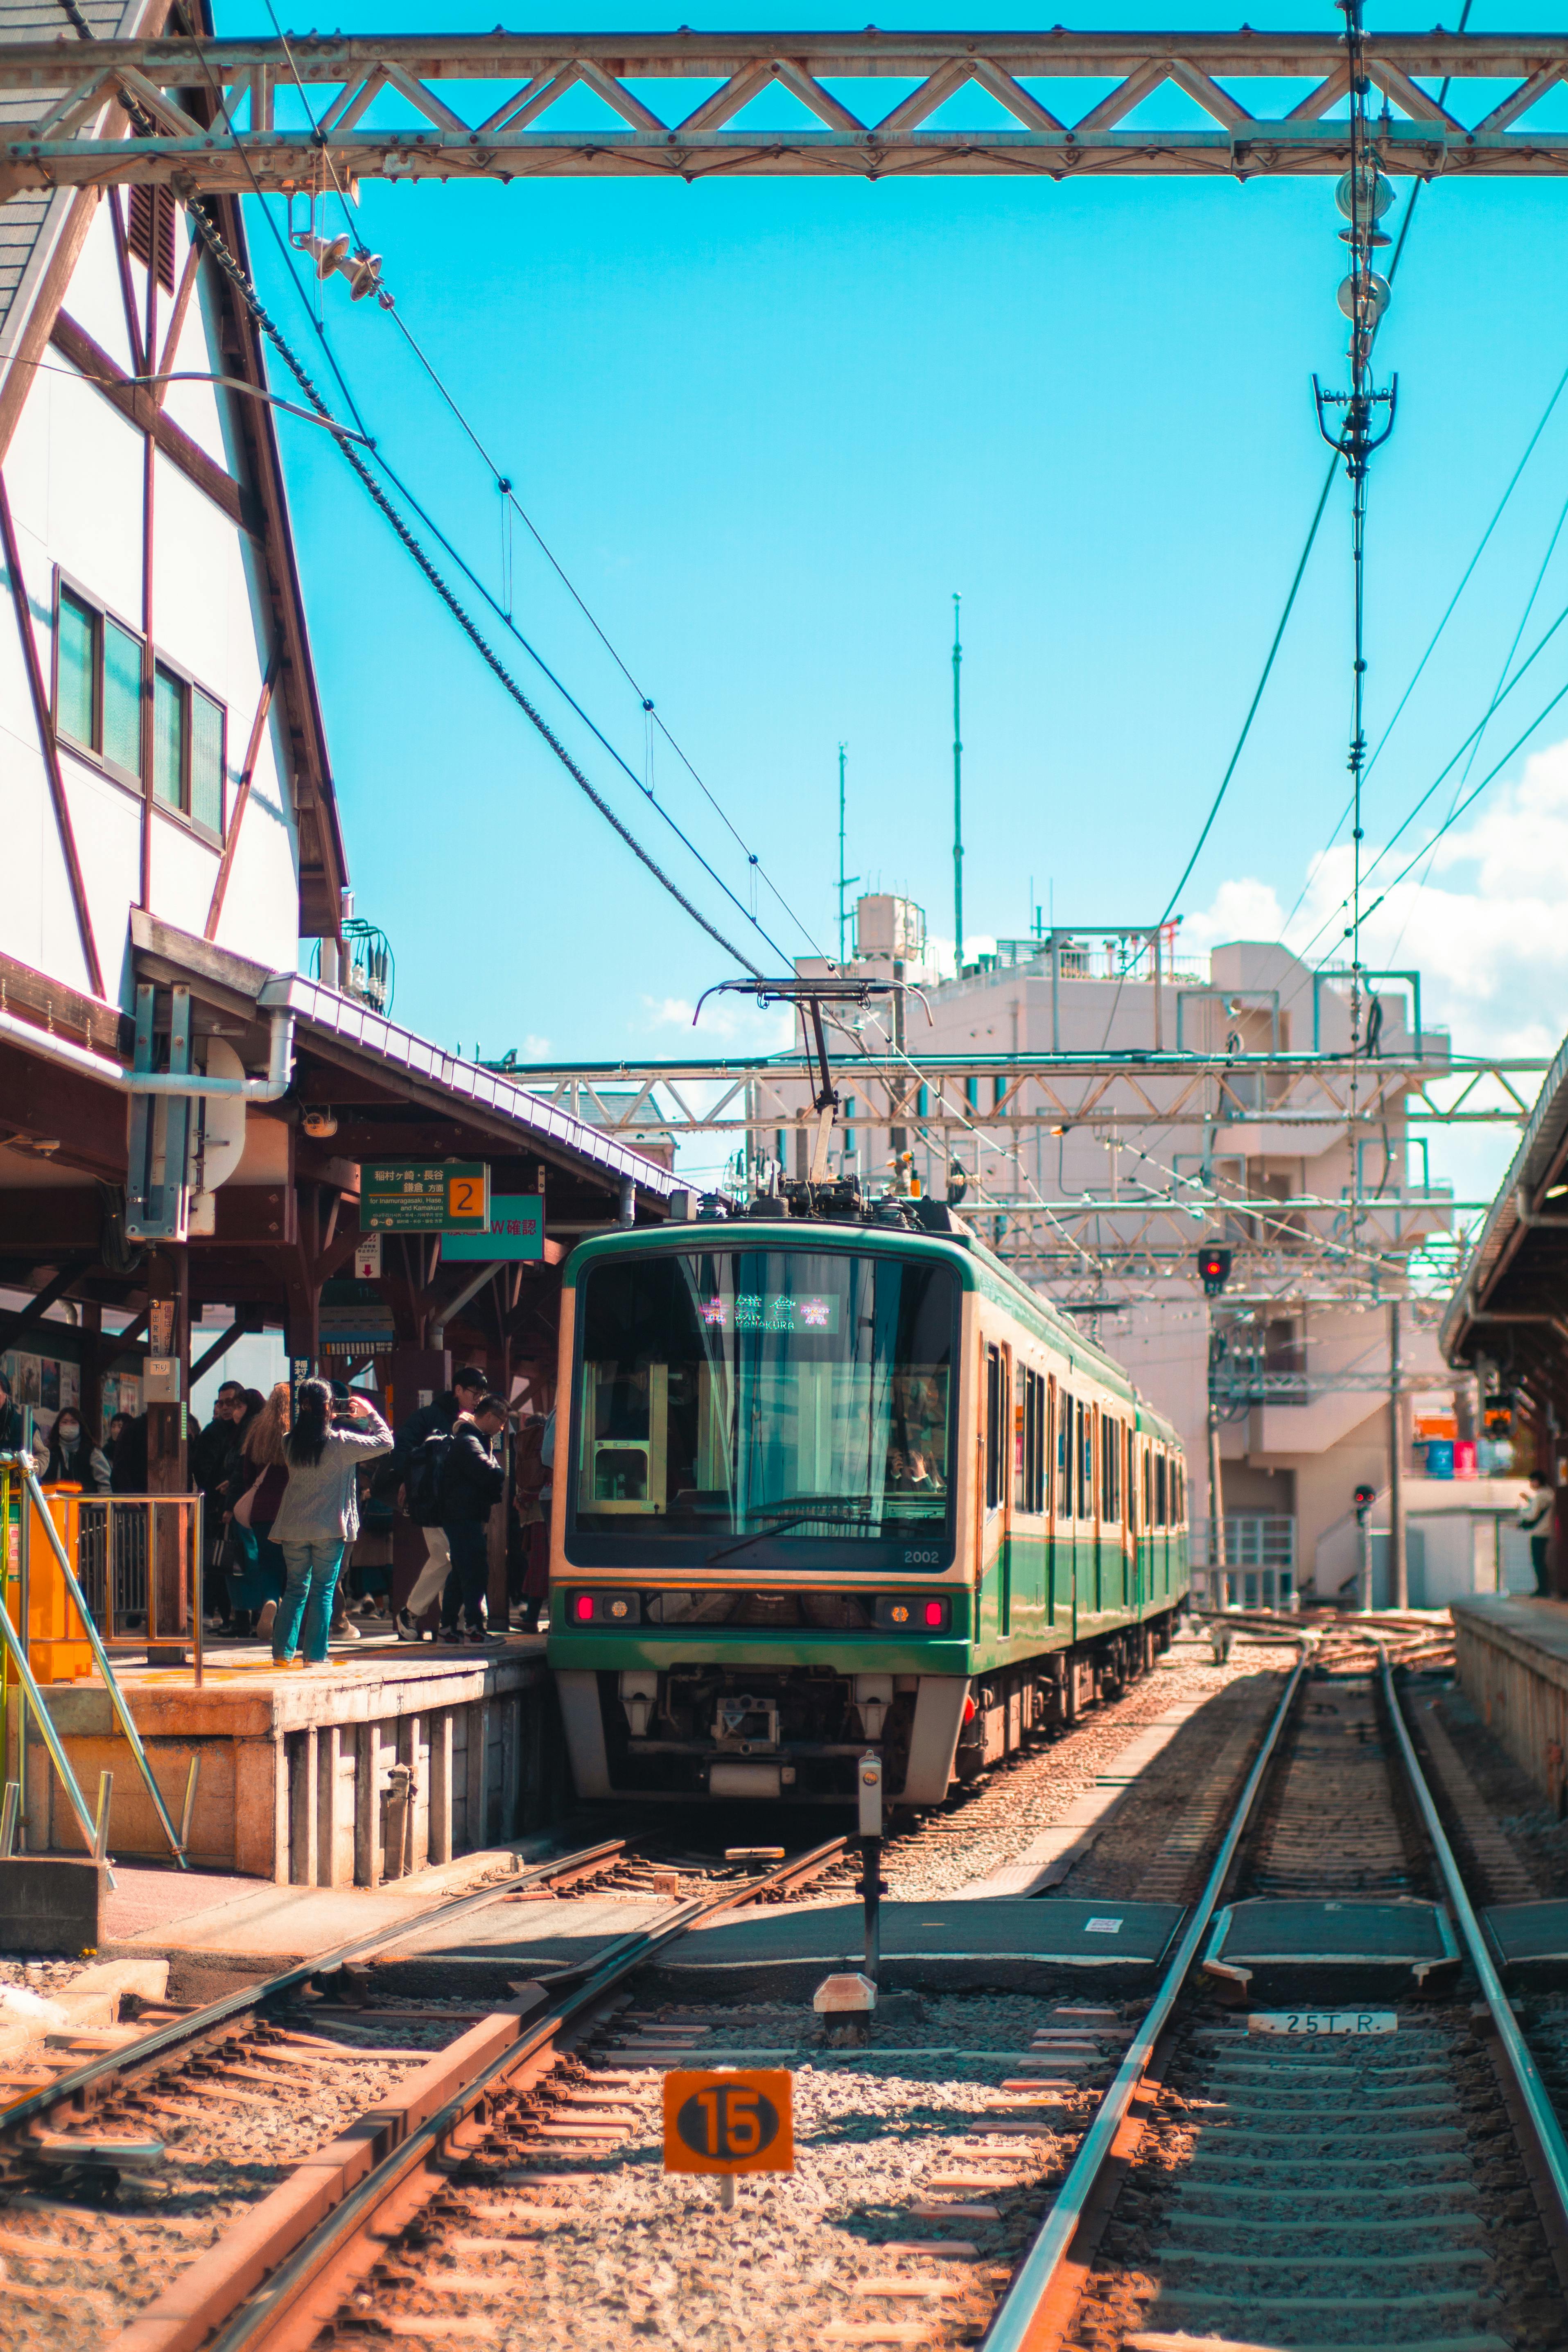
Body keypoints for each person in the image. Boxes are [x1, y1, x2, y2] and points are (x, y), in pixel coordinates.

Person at [268, 1380, 392, 1666]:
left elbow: (309, 1439)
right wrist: (370, 1413)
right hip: (330, 1528)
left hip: (293, 1527)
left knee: (295, 1589)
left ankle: (282, 1654)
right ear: (328, 1407)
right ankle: (315, 1655)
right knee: (323, 1590)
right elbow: (386, 1442)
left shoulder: (289, 1441)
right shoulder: (342, 1443)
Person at [394, 1365, 487, 1642]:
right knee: (448, 1557)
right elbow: (403, 1447)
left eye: (482, 1394)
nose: (478, 1399)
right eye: (474, 1392)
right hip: (432, 1501)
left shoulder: (475, 1421)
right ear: (458, 1390)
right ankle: (415, 1614)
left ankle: (457, 1623)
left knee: (454, 1558)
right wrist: (406, 1481)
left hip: (461, 1504)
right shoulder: (430, 1416)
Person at [438, 1393, 508, 1642]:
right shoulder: (469, 1441)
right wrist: (500, 1470)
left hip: (463, 1515)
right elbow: (490, 1473)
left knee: (460, 1572)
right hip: (462, 1515)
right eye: (502, 1420)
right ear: (489, 1416)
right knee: (475, 1571)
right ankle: (474, 1629)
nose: (503, 1426)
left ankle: (447, 1630)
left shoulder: (475, 1439)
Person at [225, 1386, 289, 1638]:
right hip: (290, 1511)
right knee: (292, 1566)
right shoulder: (293, 1433)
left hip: (262, 1511)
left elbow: (247, 1477)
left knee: (267, 1565)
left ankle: (271, 1600)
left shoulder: (257, 1433)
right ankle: (286, 1618)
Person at [41, 1409, 111, 1493]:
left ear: (80, 1426)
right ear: (58, 1426)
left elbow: (105, 1482)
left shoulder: (92, 1452)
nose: (69, 1425)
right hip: (54, 1504)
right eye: (65, 1422)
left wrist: (100, 1503)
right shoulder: (50, 1452)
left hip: (86, 1504)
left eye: (73, 1422)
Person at [1518, 1469, 1556, 1597]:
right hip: (1550, 1532)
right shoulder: (1550, 1493)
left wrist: (1521, 1512)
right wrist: (1529, 1500)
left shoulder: (1540, 1496)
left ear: (1537, 1481)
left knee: (1538, 1561)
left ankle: (1542, 1589)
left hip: (1539, 1532)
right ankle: (1547, 1588)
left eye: (1531, 1481)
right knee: (1545, 1561)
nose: (1531, 1484)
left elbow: (1533, 1515)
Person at [109, 1411, 148, 1494]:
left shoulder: (134, 1429)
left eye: (120, 1426)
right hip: (126, 1493)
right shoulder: (105, 1451)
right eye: (113, 1426)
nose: (116, 1430)